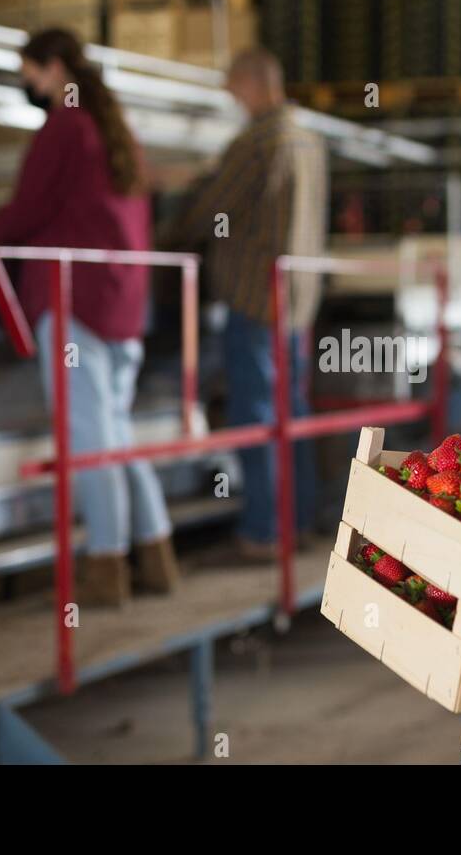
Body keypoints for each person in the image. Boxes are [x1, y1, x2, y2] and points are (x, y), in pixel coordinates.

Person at [0, 28, 179, 608]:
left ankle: (105, 570)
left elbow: (26, 211)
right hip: (121, 307)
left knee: (89, 445)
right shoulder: (112, 129)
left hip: (75, 306)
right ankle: (157, 558)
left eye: (29, 71)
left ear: (53, 67)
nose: (26, 84)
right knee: (115, 436)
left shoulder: (63, 128)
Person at [158, 48, 326, 564]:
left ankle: (263, 531)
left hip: (255, 299)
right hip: (297, 302)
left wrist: (166, 234)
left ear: (252, 84)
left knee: (255, 415)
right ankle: (298, 523)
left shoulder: (257, 141)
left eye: (233, 89)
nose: (232, 99)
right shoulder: (308, 138)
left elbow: (212, 208)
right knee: (291, 414)